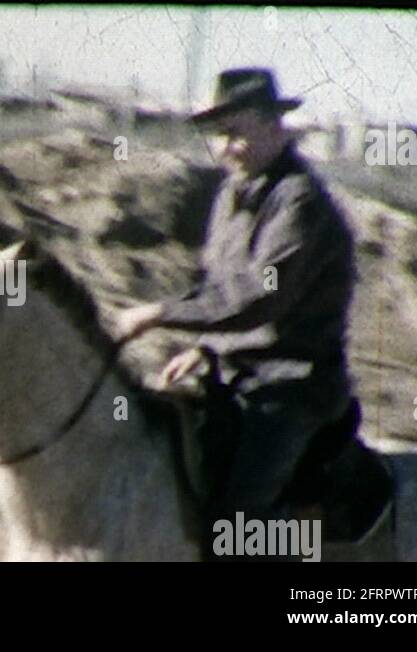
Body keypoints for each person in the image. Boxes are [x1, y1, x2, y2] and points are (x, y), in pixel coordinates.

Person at [115, 68, 358, 557]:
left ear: (274, 127)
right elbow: (217, 286)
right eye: (219, 136)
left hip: (292, 383)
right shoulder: (231, 193)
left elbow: (256, 297)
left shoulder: (302, 202)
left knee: (234, 525)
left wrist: (158, 314)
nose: (226, 148)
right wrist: (204, 347)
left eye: (236, 134)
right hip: (233, 371)